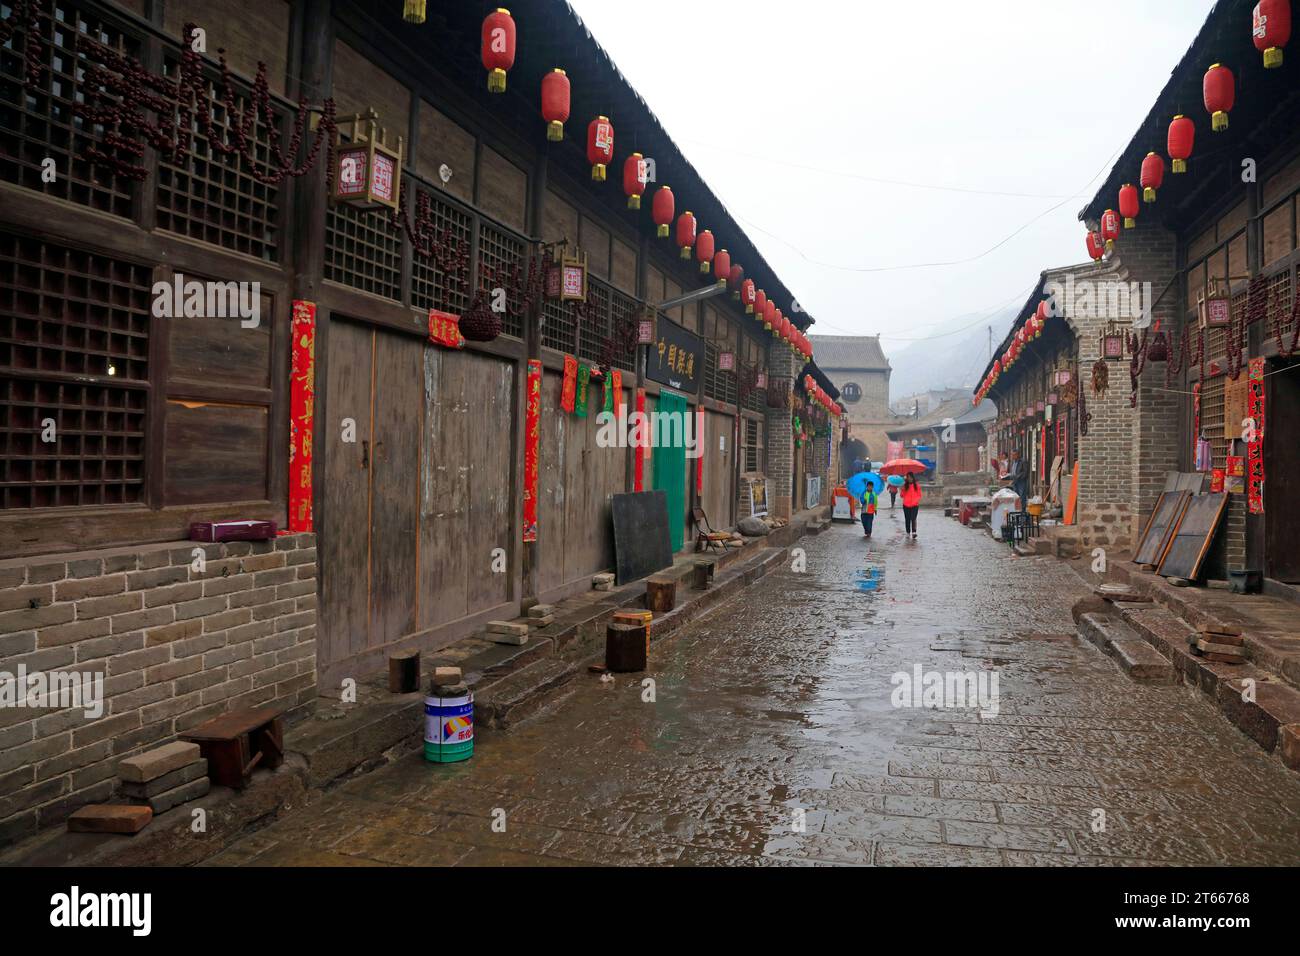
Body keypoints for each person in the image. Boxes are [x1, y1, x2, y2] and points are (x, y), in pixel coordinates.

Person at [901, 472, 922, 539]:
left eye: (910, 477)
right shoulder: (905, 486)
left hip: (914, 505)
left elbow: (919, 495)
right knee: (907, 519)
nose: (909, 479)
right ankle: (908, 532)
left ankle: (914, 532)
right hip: (906, 505)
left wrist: (916, 501)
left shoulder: (917, 485)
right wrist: (902, 489)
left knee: (913, 518)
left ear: (913, 477)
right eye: (908, 477)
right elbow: (902, 495)